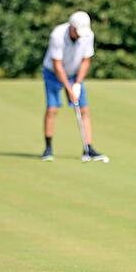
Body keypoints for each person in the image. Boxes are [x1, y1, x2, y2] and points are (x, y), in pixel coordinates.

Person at [40, 11, 107, 162]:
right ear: (71, 27)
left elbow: (86, 61)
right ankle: (48, 148)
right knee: (52, 109)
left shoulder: (88, 35)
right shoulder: (57, 35)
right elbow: (57, 65)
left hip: (75, 73)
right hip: (52, 73)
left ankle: (88, 148)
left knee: (84, 110)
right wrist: (69, 90)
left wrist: (77, 84)